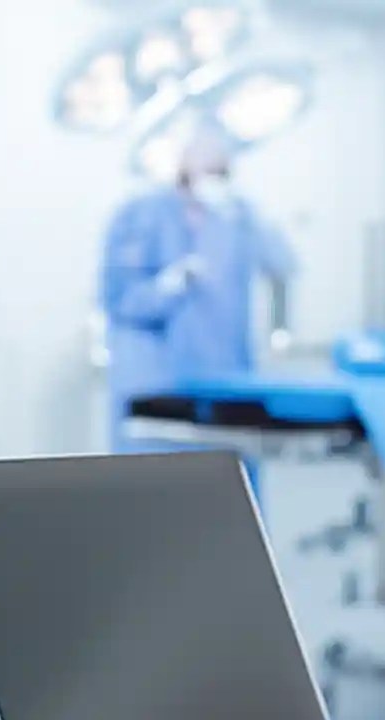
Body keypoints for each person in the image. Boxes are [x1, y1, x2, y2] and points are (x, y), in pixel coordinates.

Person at [98, 123, 296, 495]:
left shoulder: (237, 217)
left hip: (224, 384)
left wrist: (248, 216)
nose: (211, 166)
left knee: (232, 508)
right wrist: (167, 287)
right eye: (202, 154)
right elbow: (119, 299)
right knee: (157, 507)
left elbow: (283, 264)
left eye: (220, 162)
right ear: (180, 159)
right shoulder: (140, 214)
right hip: (157, 386)